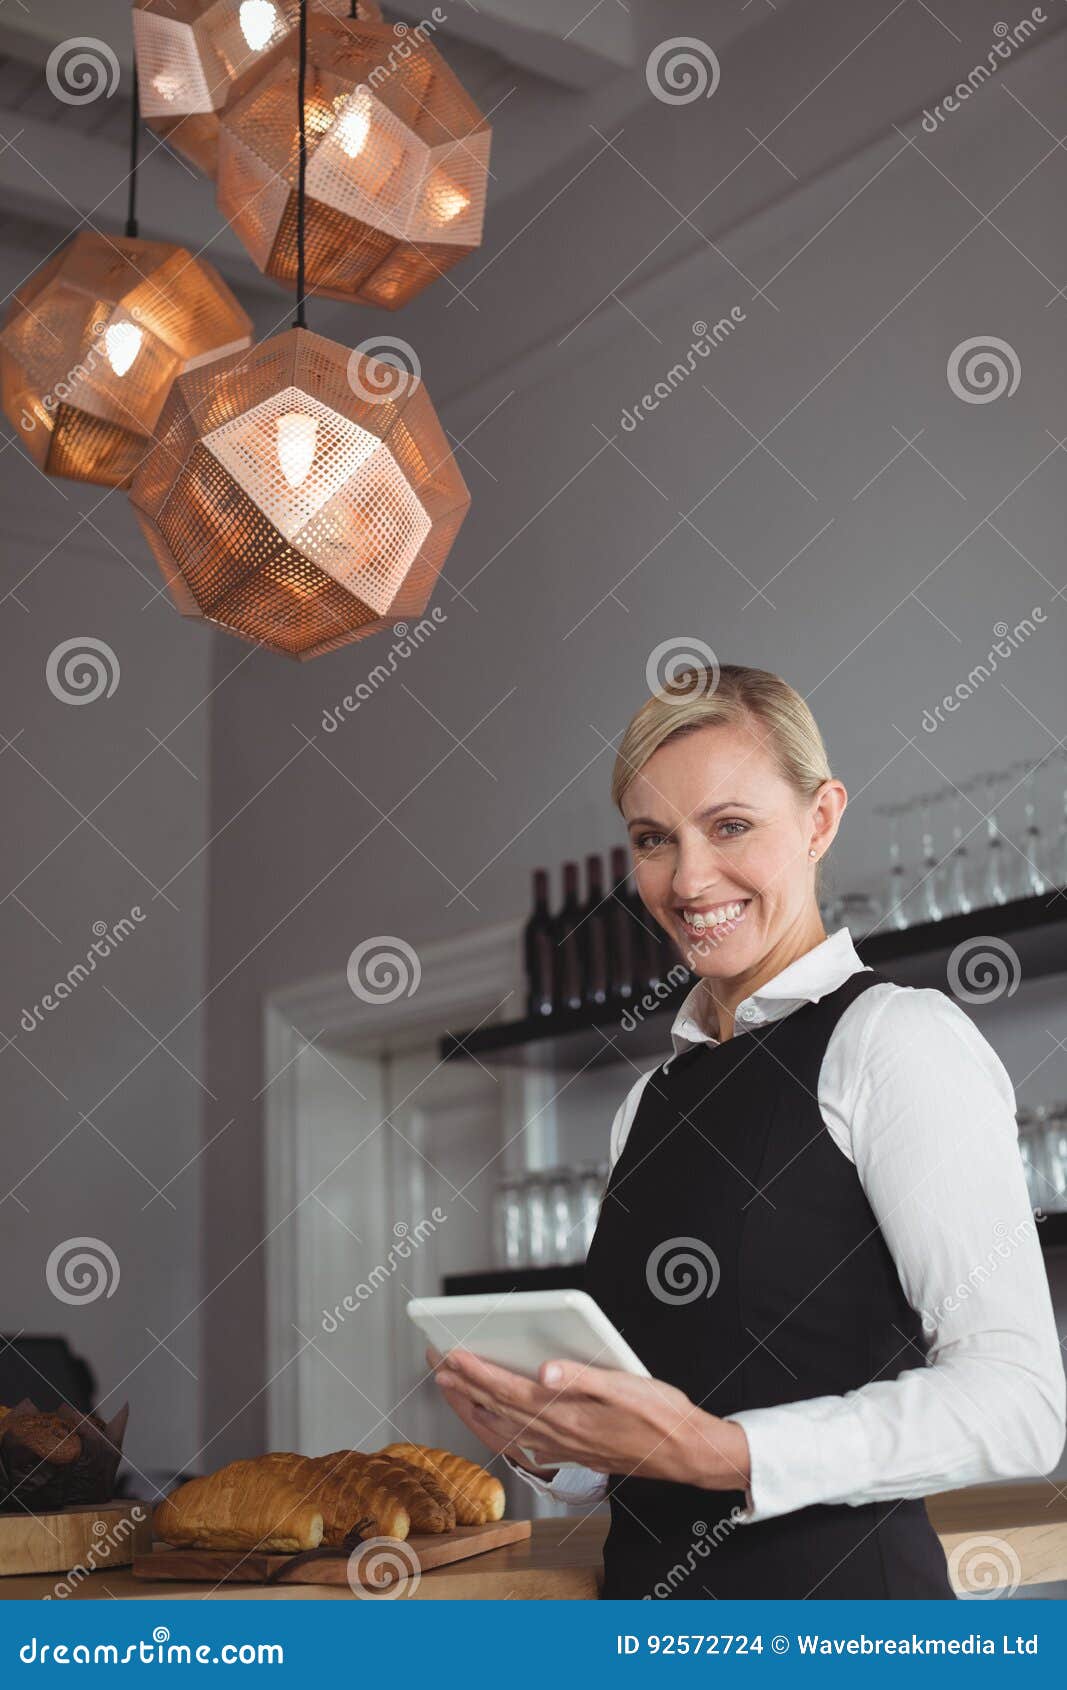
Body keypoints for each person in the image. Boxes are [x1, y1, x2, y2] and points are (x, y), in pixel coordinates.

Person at [429, 664, 1065, 1599]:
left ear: (819, 819)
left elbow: (1020, 1404)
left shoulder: (892, 1039)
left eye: (729, 826)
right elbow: (654, 1430)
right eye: (654, 840)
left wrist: (725, 1452)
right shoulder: (649, 1102)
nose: (688, 880)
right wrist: (548, 1441)